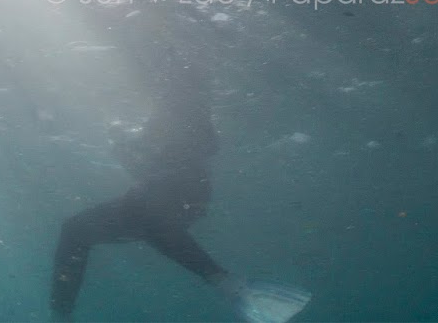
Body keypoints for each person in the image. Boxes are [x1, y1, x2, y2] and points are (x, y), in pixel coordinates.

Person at [50, 56, 310, 323]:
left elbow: (201, 147)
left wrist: (136, 145)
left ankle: (61, 312)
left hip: (178, 190)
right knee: (91, 228)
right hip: (173, 193)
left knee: (131, 220)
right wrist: (129, 149)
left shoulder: (182, 106)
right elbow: (154, 165)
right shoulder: (176, 108)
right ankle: (226, 282)